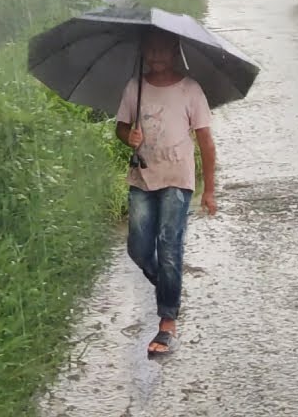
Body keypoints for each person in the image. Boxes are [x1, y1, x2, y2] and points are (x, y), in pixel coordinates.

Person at [115, 29, 217, 357]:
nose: (157, 57)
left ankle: (167, 321)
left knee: (169, 246)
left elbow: (205, 141)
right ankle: (168, 287)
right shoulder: (135, 87)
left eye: (163, 51)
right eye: (151, 51)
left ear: (175, 51)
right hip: (142, 176)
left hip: (178, 177)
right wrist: (126, 136)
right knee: (138, 249)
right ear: (143, 51)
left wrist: (209, 190)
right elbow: (120, 126)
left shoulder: (190, 90)